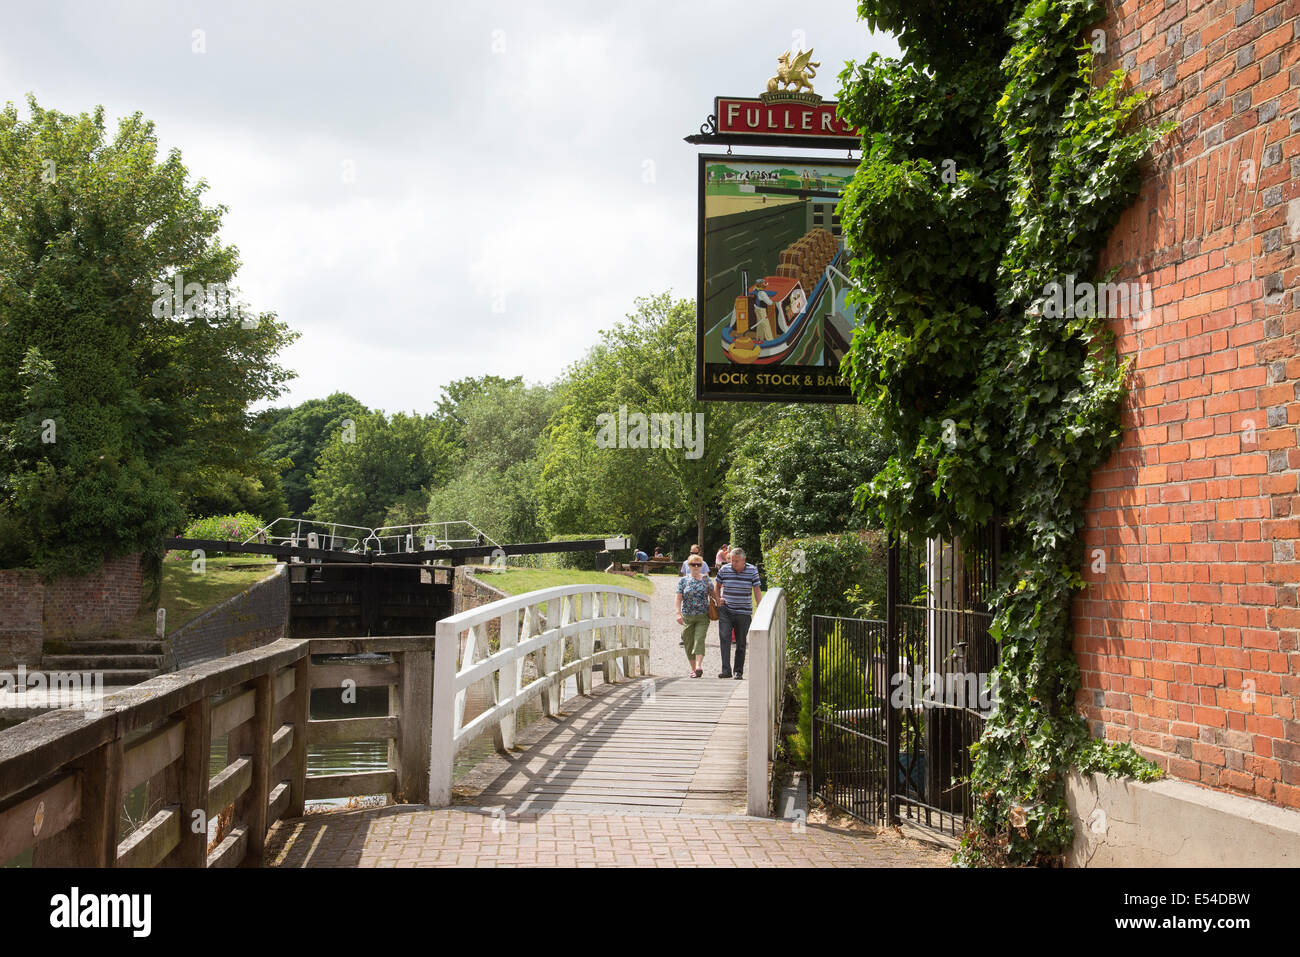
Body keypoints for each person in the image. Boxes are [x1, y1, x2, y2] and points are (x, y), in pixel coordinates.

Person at [712, 547, 761, 679]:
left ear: (744, 560)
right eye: (732, 560)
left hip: (743, 612)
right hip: (726, 610)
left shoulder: (752, 570)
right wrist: (717, 599)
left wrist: (760, 608)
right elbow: (716, 585)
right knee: (725, 639)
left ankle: (738, 671)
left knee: (741, 643)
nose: (733, 563)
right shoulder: (725, 569)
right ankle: (726, 670)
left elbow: (756, 589)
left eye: (737, 561)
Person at [675, 555, 711, 678]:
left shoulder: (706, 580)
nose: (696, 567)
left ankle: (698, 666)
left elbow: (713, 594)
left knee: (699, 639)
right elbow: (678, 598)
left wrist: (720, 600)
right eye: (693, 564)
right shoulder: (683, 581)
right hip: (687, 617)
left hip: (702, 616)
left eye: (699, 565)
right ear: (688, 566)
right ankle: (693, 668)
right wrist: (678, 613)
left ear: (702, 566)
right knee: (688, 643)